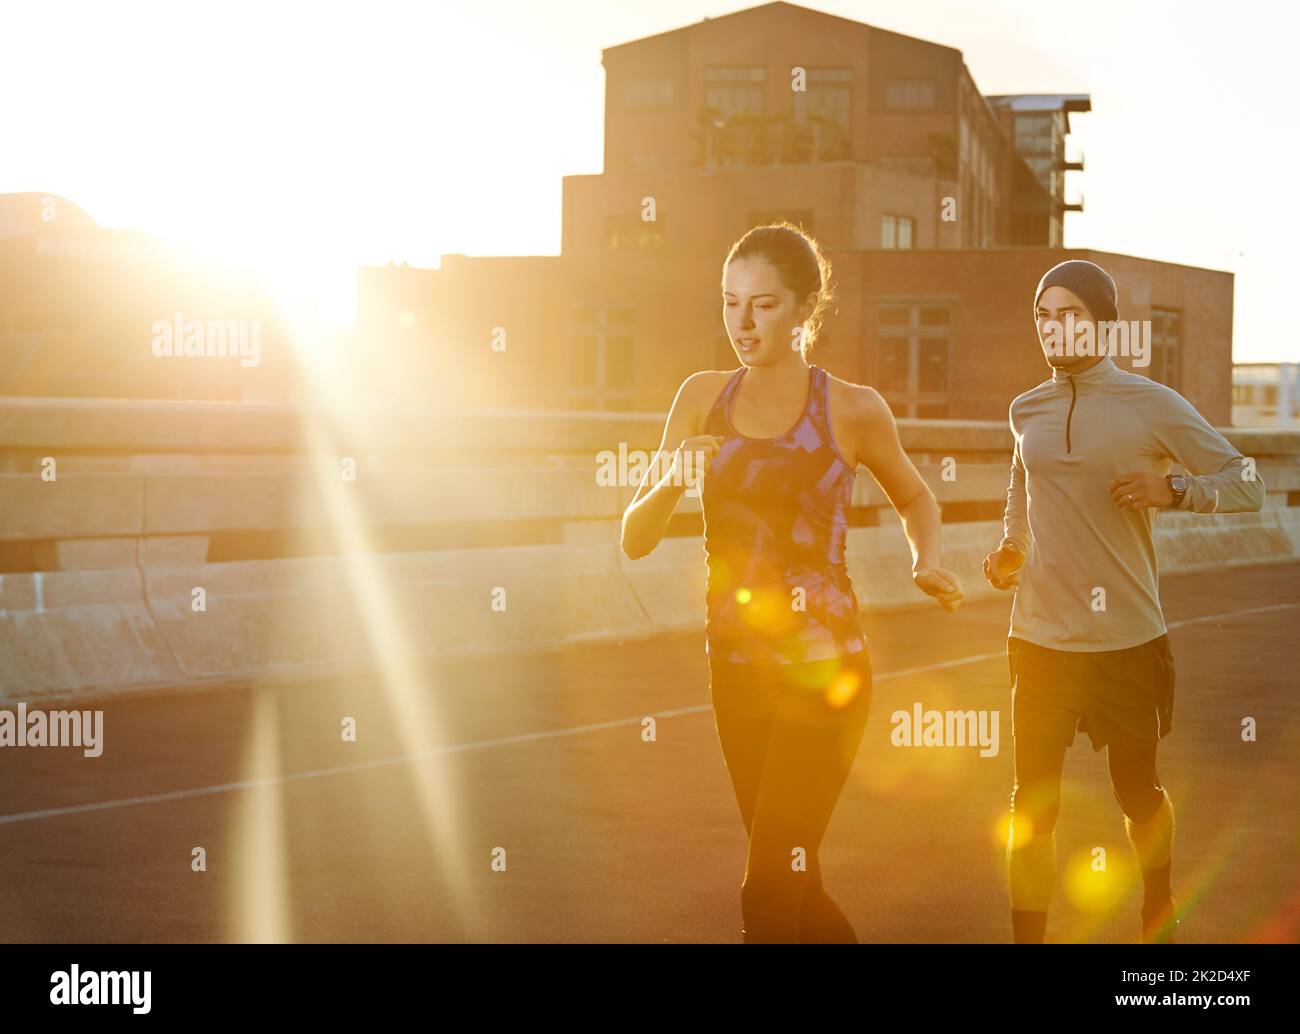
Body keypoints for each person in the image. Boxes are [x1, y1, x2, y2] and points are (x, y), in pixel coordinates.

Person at [621, 222, 964, 943]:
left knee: (767, 892)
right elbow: (635, 538)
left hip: (826, 675)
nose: (741, 323)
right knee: (794, 887)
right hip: (736, 672)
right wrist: (672, 479)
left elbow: (917, 497)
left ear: (807, 307)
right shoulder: (699, 397)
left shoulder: (853, 407)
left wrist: (923, 556)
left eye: (763, 305)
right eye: (730, 303)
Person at [984, 259, 1265, 944]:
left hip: (1127, 641)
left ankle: (1156, 914)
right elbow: (1022, 484)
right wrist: (1012, 546)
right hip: (1041, 638)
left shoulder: (1151, 404)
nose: (1055, 329)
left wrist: (1173, 492)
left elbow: (1246, 481)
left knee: (1136, 794)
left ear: (1104, 323)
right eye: (1045, 316)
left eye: (1071, 314)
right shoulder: (1027, 408)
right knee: (1032, 807)